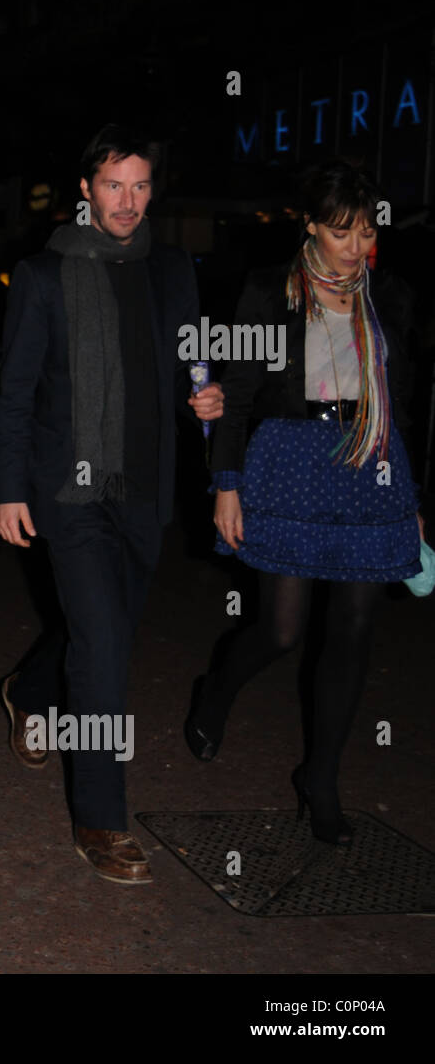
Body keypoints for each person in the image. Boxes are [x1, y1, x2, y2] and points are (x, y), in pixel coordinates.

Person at [0, 125, 223, 885]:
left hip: (145, 486)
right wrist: (7, 488)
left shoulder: (172, 270)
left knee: (103, 631)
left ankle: (27, 691)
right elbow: (16, 394)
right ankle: (100, 816)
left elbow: (193, 360)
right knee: (104, 650)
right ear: (86, 189)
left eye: (141, 185)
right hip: (71, 491)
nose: (127, 201)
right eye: (113, 184)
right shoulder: (42, 274)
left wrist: (205, 397)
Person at [185, 160, 424, 845]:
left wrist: (411, 498)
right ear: (311, 227)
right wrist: (226, 484)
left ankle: (320, 779)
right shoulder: (269, 291)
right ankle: (217, 689)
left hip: (370, 462)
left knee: (352, 630)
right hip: (289, 459)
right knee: (282, 629)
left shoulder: (393, 297)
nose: (357, 245)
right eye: (342, 231)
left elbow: (404, 405)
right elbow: (235, 395)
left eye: (367, 229)